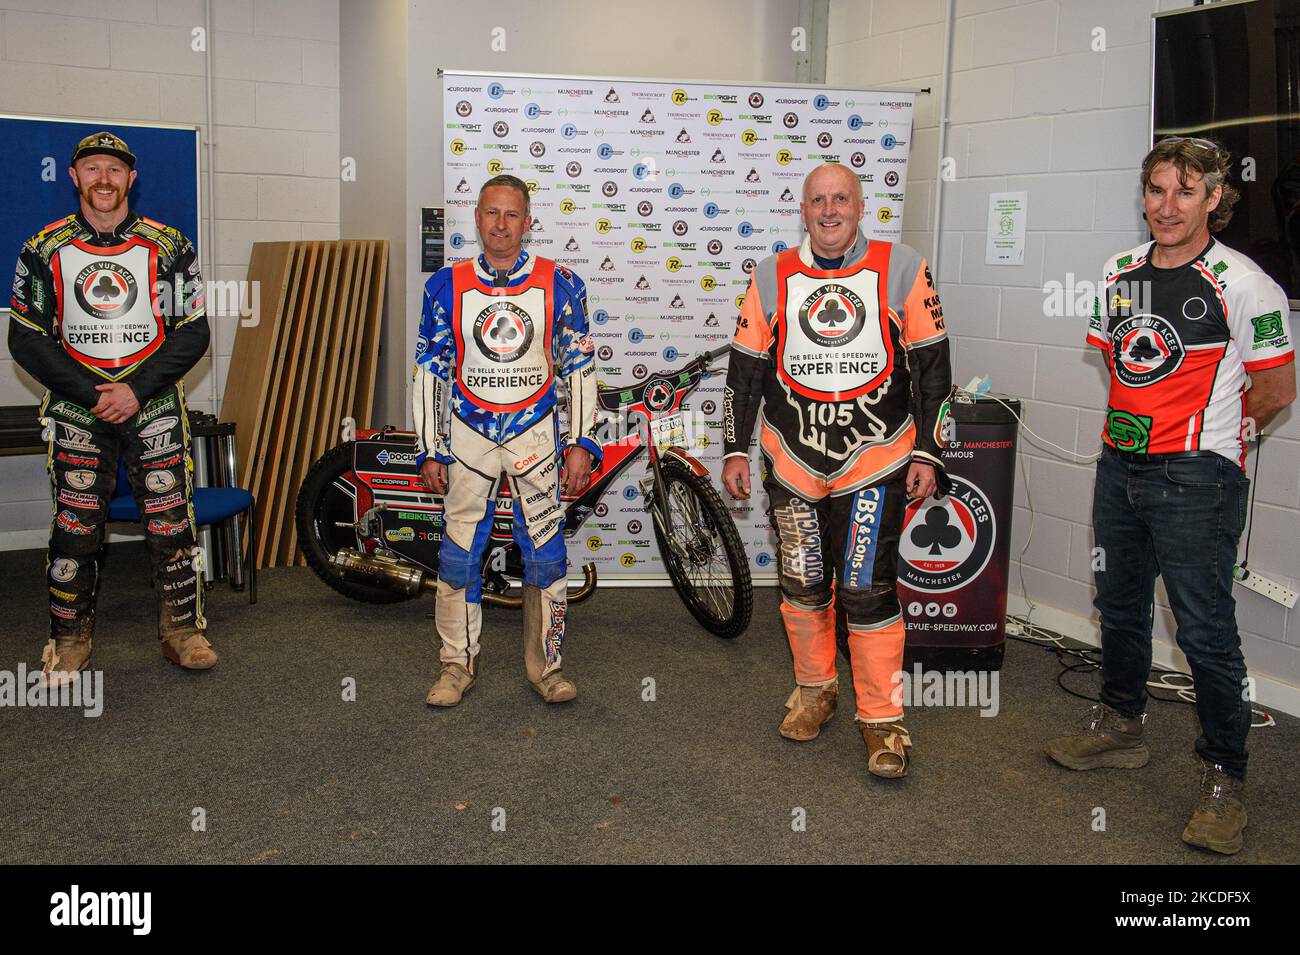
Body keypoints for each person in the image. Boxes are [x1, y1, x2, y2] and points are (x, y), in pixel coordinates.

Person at [1045, 137, 1296, 855]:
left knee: (1204, 631)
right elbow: (1119, 362)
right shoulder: (1118, 270)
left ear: (1216, 197)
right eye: (1156, 190)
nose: (1167, 205)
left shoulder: (1244, 283)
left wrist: (1216, 441)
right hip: (1119, 465)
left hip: (1197, 477)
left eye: (1185, 192)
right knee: (1118, 605)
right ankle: (1121, 724)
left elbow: (1276, 388)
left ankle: (1226, 775)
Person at [721, 162, 952, 778]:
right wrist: (734, 448)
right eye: (818, 200)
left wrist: (929, 450)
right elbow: (743, 372)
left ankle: (882, 720)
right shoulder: (769, 274)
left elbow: (932, 369)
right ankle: (816, 690)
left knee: (865, 589)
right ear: (803, 209)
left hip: (873, 461)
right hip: (794, 463)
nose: (829, 210)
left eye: (841, 199)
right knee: (802, 584)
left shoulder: (903, 266)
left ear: (859, 207)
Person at [8, 131, 215, 684]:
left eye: (115, 170)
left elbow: (192, 333)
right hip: (80, 409)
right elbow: (26, 339)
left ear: (132, 178)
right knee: (76, 528)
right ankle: (69, 640)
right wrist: (94, 393)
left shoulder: (168, 246)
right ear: (74, 177)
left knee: (172, 522)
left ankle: (183, 632)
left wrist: (135, 390)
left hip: (152, 406)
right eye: (93, 168)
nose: (104, 179)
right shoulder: (44, 247)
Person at [412, 174, 600, 707]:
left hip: (535, 436)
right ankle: (455, 666)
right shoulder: (443, 286)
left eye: (512, 214)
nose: (500, 224)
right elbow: (430, 370)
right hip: (469, 436)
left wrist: (583, 443)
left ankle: (548, 670)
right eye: (491, 213)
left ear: (527, 221)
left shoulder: (561, 282)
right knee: (457, 556)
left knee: (545, 556)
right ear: (476, 218)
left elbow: (581, 366)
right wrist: (431, 447)